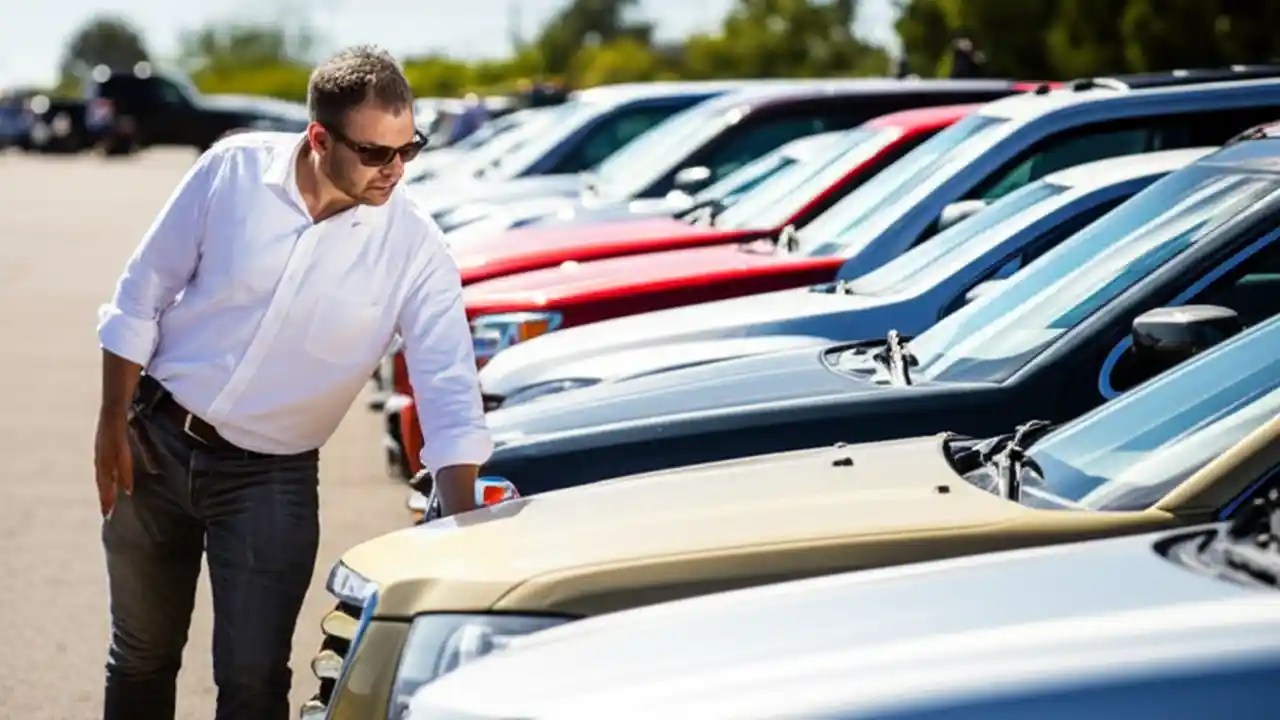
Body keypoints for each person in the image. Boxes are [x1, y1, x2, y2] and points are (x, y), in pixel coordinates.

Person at [92, 45, 493, 720]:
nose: (394, 170)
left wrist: (459, 514)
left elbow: (447, 382)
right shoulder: (232, 172)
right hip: (154, 444)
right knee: (141, 658)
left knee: (252, 683)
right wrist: (111, 420)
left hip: (269, 479)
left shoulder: (414, 247)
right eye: (374, 153)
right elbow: (141, 294)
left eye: (408, 149)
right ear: (318, 137)